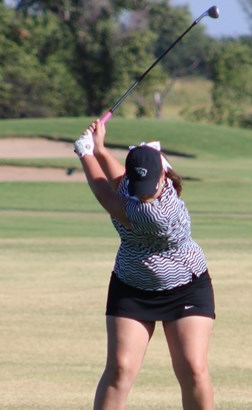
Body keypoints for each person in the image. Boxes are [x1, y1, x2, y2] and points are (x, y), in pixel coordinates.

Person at [74, 120, 215, 409]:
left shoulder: (159, 213)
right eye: (138, 185)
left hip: (185, 286)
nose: (143, 192)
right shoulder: (139, 186)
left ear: (164, 177)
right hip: (132, 285)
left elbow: (105, 194)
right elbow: (120, 181)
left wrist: (85, 153)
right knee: (120, 369)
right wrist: (99, 147)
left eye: (149, 186)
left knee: (193, 368)